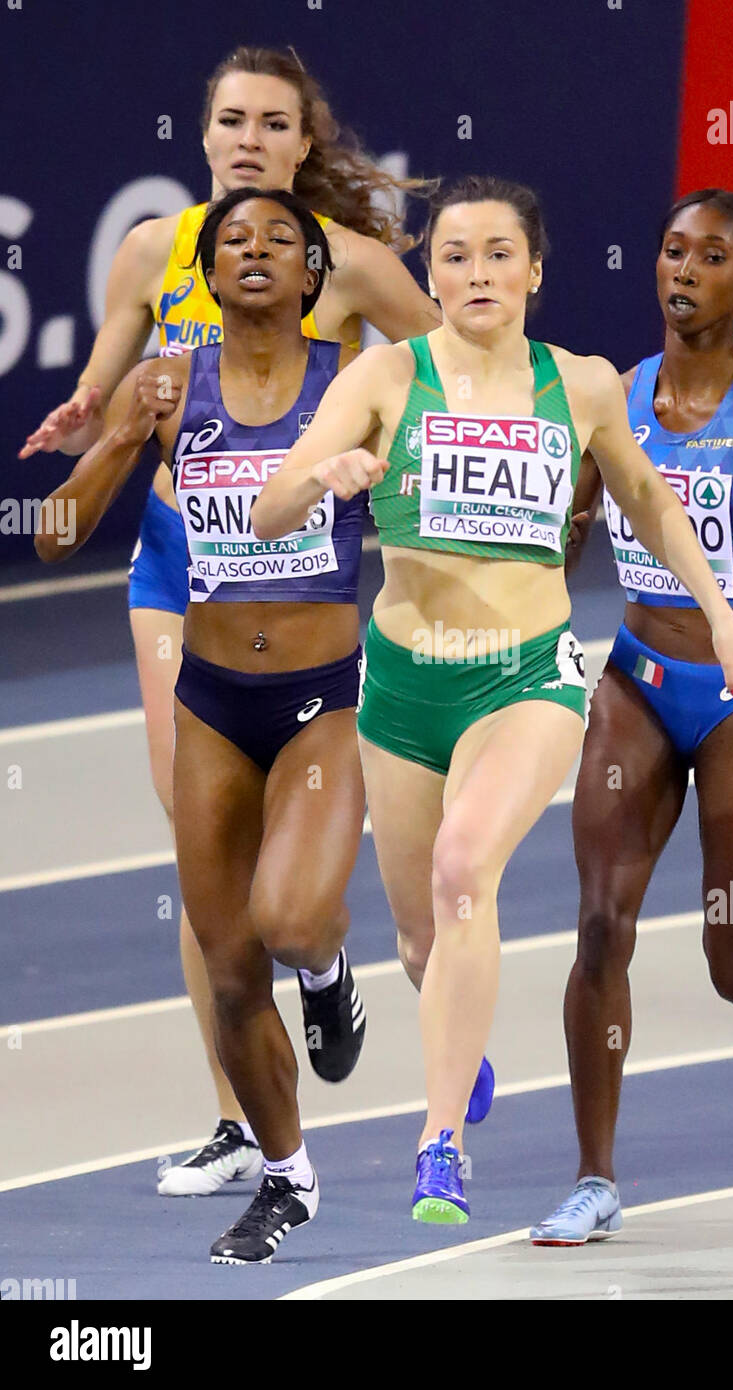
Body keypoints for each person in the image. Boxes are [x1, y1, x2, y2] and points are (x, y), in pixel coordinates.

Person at [250, 174, 733, 1223]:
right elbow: (265, 512)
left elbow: (649, 504)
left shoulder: (576, 386)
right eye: (451, 255)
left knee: (461, 867)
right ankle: (457, 1039)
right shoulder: (386, 376)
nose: (474, 273)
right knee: (418, 942)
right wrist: (327, 473)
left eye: (496, 254)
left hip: (524, 676)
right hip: (401, 689)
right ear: (428, 273)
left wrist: (718, 614)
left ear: (534, 269)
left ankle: (438, 1145)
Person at [22, 45, 440, 1195]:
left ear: (306, 143)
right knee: (195, 836)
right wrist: (92, 414)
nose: (248, 139)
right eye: (229, 121)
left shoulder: (349, 265)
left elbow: (450, 369)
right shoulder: (157, 250)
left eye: (271, 123)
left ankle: (318, 958)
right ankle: (239, 1118)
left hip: (298, 581)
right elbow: (116, 380)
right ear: (201, 136)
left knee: (277, 888)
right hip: (177, 563)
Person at [36, 188, 380, 1264]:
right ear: (208, 275)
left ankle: (325, 974)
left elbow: (442, 511)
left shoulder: (358, 386)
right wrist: (116, 440)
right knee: (229, 968)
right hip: (213, 708)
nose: (257, 249)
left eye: (282, 236)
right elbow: (53, 539)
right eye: (235, 238)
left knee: (286, 921)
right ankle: (286, 1177)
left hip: (321, 699)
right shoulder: (169, 386)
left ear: (316, 276)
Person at [530, 188, 733, 1246]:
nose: (680, 269)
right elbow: (568, 532)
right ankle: (592, 1175)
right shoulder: (612, 400)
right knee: (597, 925)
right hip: (633, 684)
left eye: (708, 257)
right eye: (670, 249)